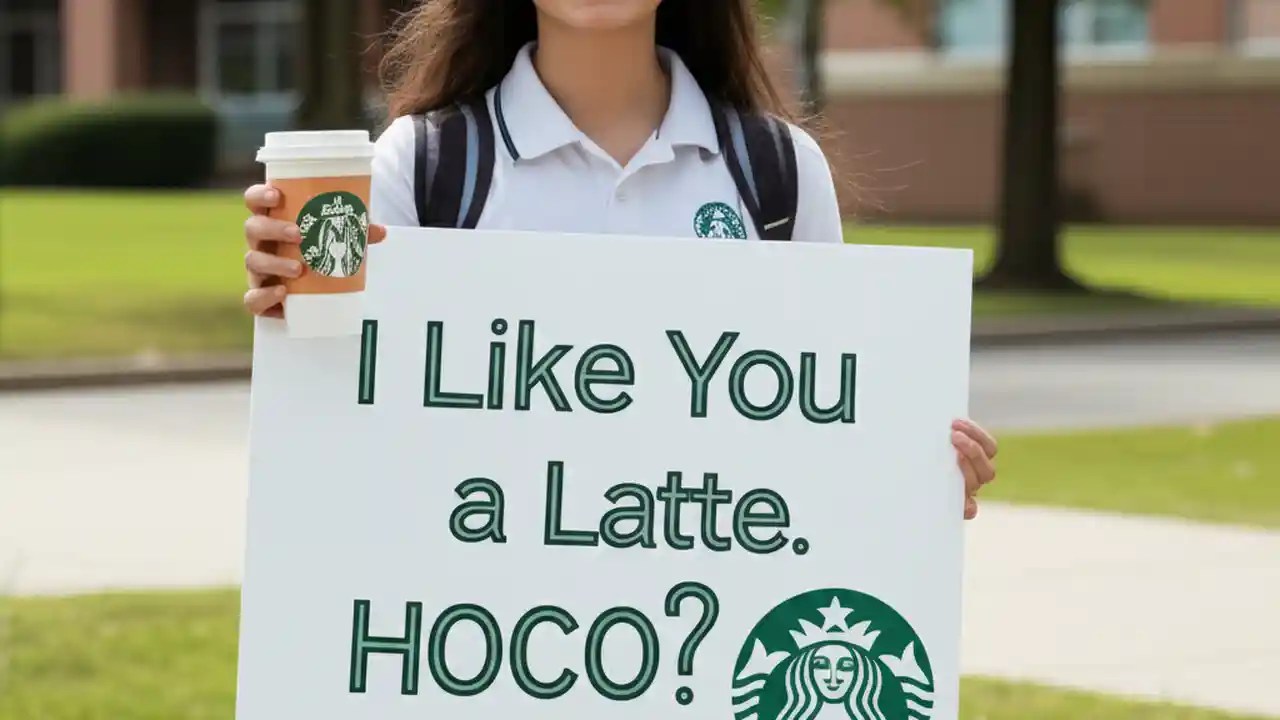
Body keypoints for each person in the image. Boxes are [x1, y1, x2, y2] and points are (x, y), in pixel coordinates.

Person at [239, 0, 997, 517]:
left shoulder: (780, 172)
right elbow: (354, 423)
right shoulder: (424, 162)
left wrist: (909, 479)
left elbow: (823, 429)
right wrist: (293, 308)